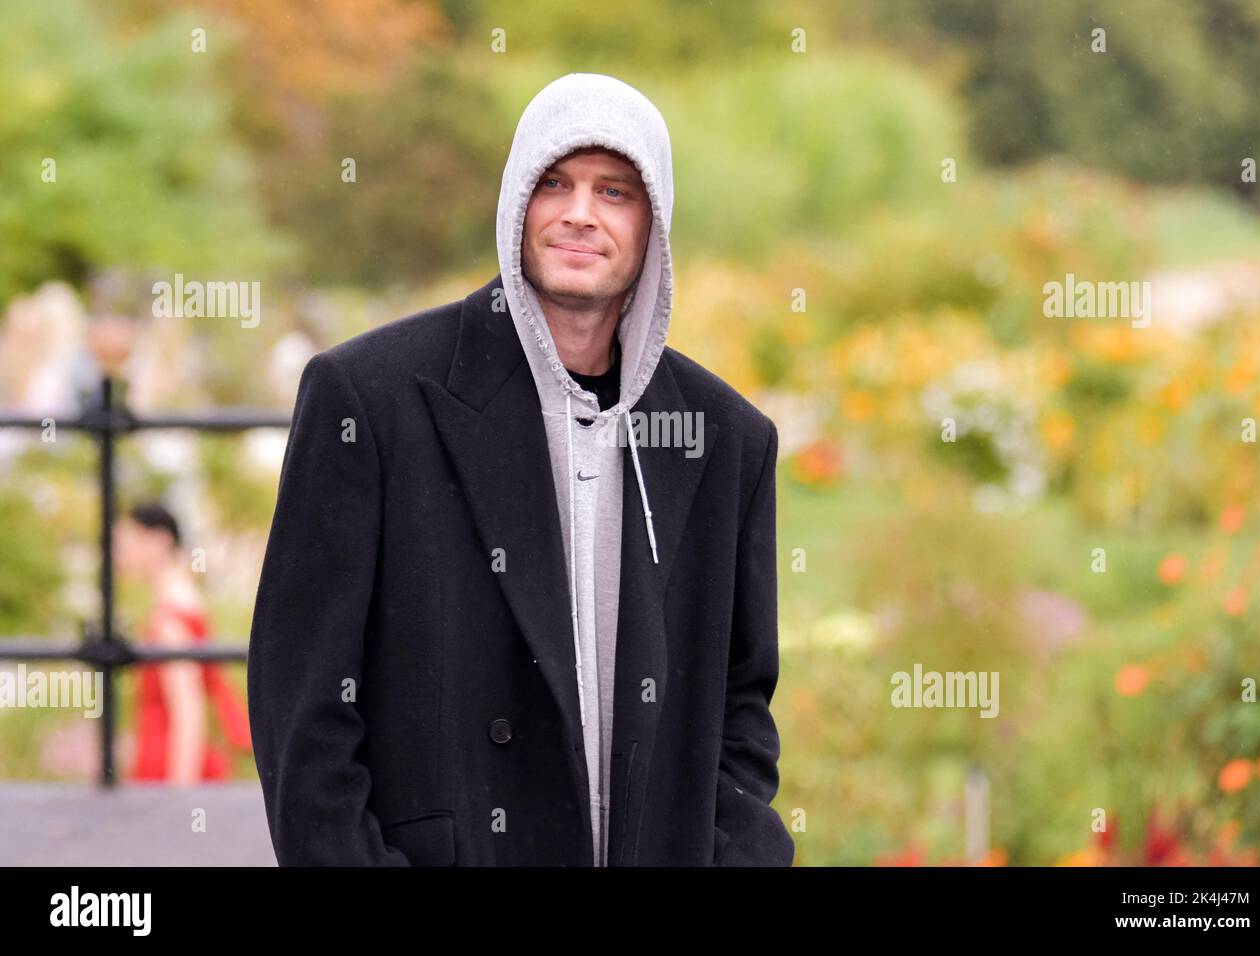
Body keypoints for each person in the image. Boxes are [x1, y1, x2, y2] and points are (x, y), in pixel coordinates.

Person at [248, 72, 794, 866]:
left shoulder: (725, 437)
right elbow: (302, 708)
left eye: (614, 192)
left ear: (654, 224)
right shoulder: (369, 398)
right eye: (554, 184)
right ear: (515, 203)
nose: (580, 214)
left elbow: (742, 708)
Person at [115, 502, 251, 783]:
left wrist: (179, 796)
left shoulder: (171, 617)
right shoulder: (183, 604)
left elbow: (188, 712)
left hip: (170, 766)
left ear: (160, 541)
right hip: (167, 760)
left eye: (129, 542)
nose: (121, 553)